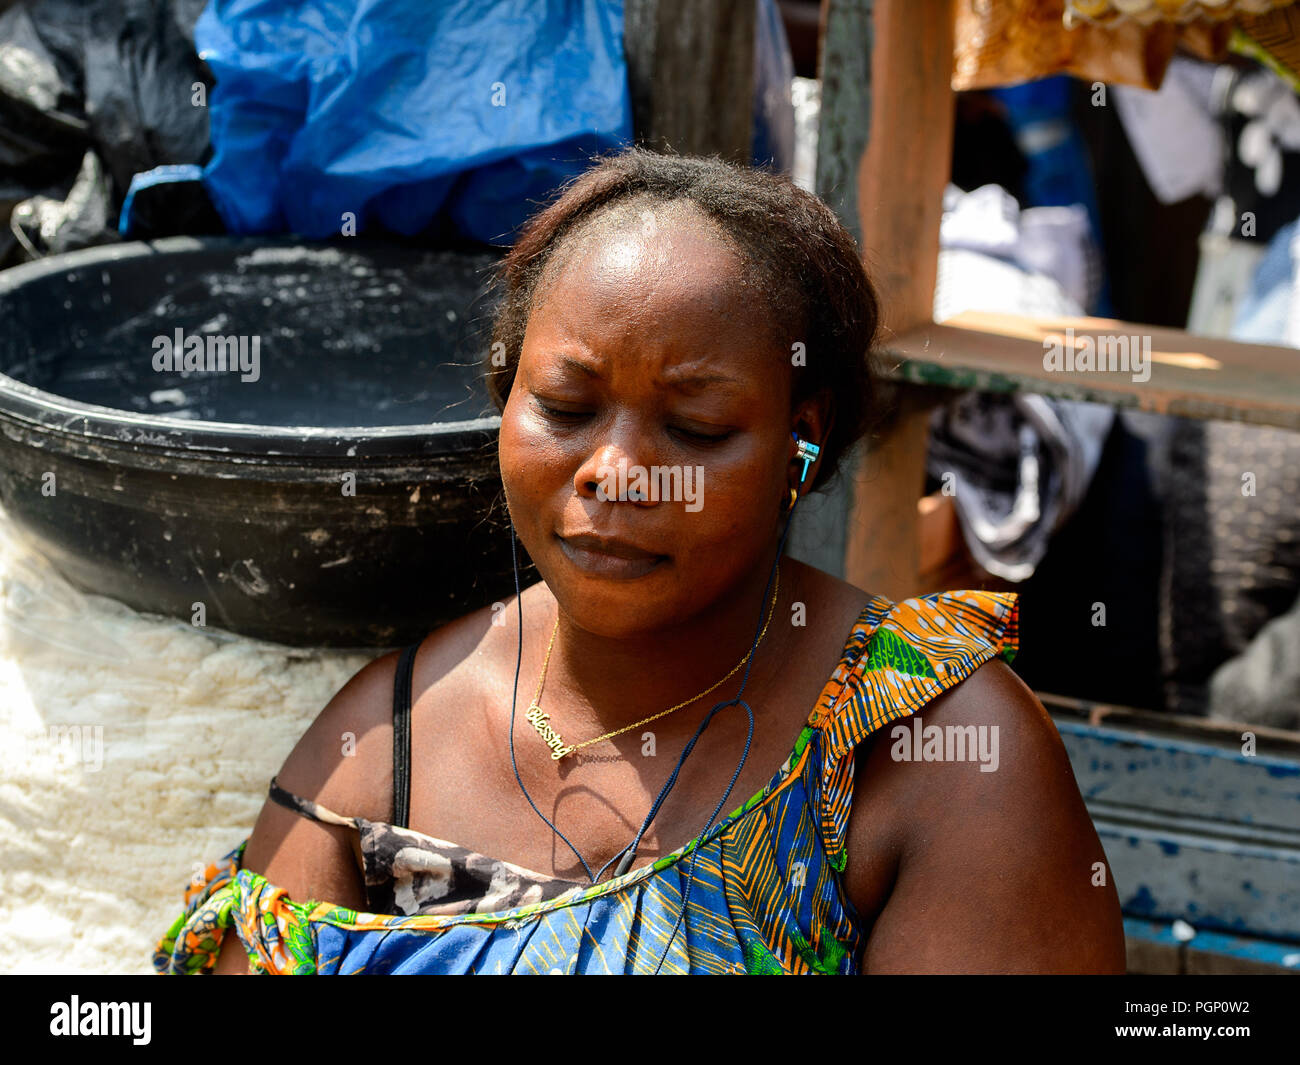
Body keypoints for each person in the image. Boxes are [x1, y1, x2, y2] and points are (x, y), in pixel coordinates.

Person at [155, 147, 1125, 975]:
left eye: (695, 427)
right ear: (504, 399)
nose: (617, 474)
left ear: (802, 440)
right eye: (565, 411)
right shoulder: (390, 740)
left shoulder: (925, 752)